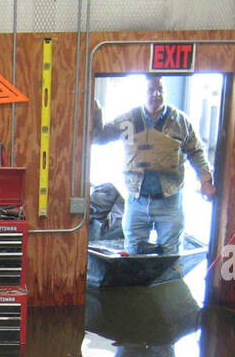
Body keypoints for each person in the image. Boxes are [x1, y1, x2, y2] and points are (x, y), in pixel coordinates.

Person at [92, 76, 215, 255]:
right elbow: (100, 137)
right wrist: (95, 114)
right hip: (136, 200)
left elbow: (197, 152)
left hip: (170, 200)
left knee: (171, 253)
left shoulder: (180, 121)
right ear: (144, 92)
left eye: (160, 90)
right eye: (151, 90)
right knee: (133, 251)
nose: (156, 94)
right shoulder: (129, 119)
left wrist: (205, 180)